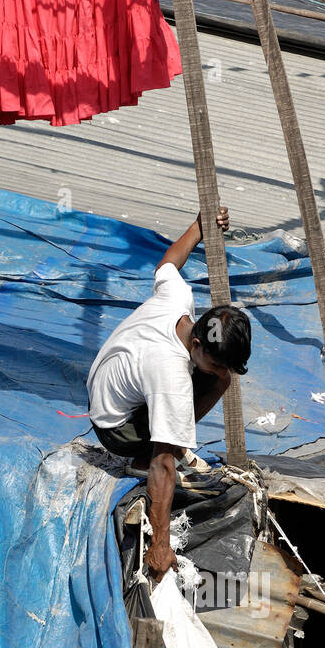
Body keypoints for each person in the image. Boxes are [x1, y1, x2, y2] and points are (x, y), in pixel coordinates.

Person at [87, 208, 252, 582]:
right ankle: (140, 455)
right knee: (212, 390)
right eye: (215, 362)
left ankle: (170, 435)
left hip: (111, 382)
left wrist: (198, 227)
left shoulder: (179, 299)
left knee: (218, 381)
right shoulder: (171, 375)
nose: (222, 372)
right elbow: (164, 467)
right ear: (196, 343)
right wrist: (160, 544)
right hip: (115, 426)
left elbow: (167, 263)